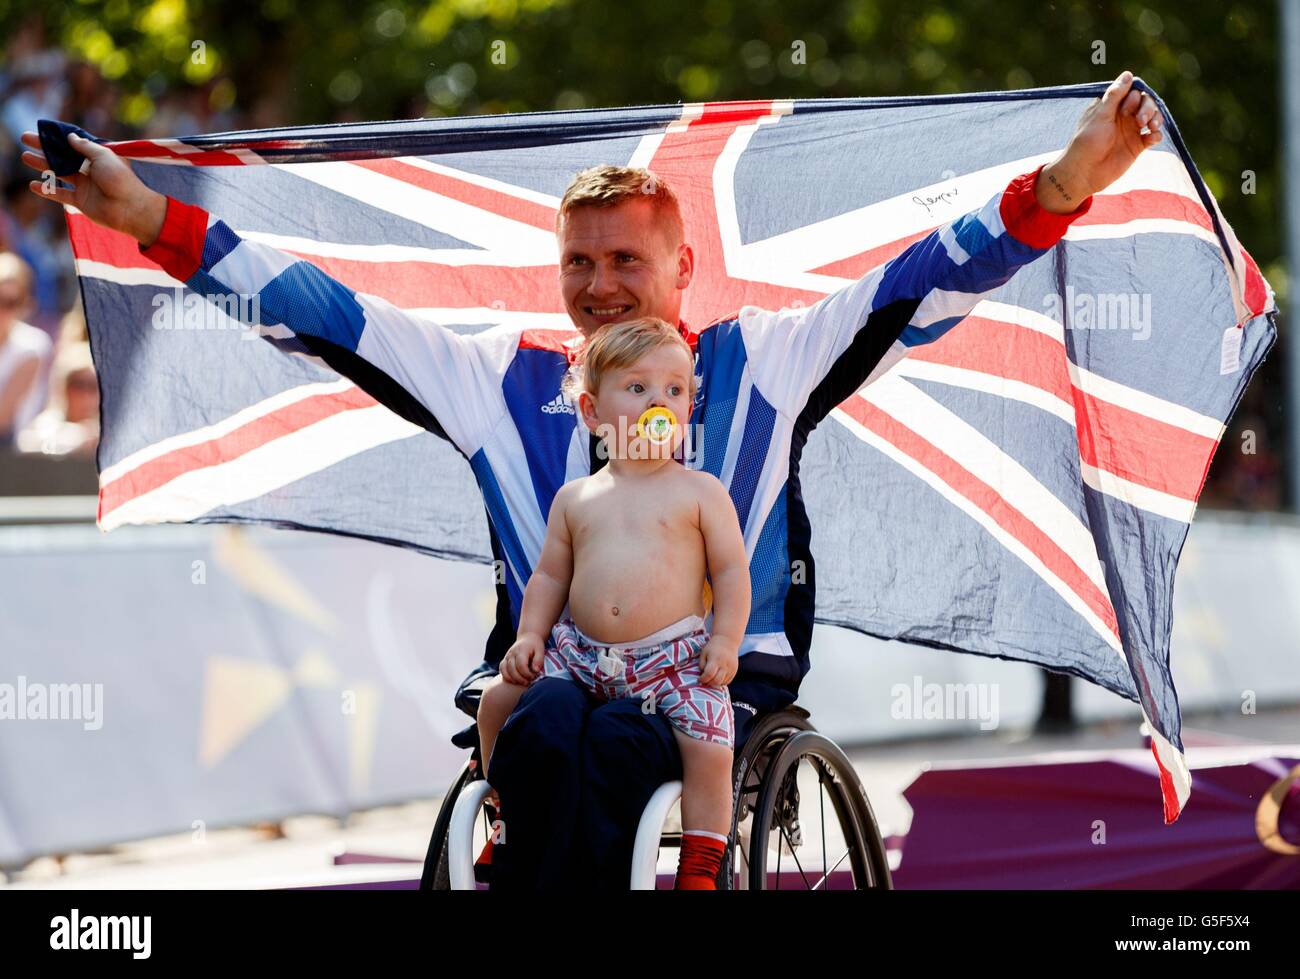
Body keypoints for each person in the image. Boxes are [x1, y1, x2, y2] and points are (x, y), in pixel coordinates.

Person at [19, 70, 1166, 888]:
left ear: (683, 265)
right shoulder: (496, 385)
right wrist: (146, 218)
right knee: (543, 725)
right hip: (557, 667)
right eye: (580, 262)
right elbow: (317, 310)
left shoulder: (760, 362)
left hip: (717, 680)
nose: (602, 282)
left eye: (627, 259)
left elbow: (924, 274)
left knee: (610, 750)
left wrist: (1073, 174)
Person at [476, 316, 750, 889]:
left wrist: (724, 640)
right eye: (638, 388)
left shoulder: (700, 493)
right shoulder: (577, 498)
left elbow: (730, 573)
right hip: (582, 658)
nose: (661, 402)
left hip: (668, 665)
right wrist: (529, 637)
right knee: (500, 699)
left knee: (711, 740)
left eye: (676, 390)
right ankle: (507, 815)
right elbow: (550, 577)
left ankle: (702, 859)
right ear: (592, 413)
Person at [0, 250, 51, 445]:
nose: (2, 309)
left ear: (24, 304)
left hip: (11, 458)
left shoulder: (33, 346)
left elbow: (3, 419)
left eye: (11, 302)